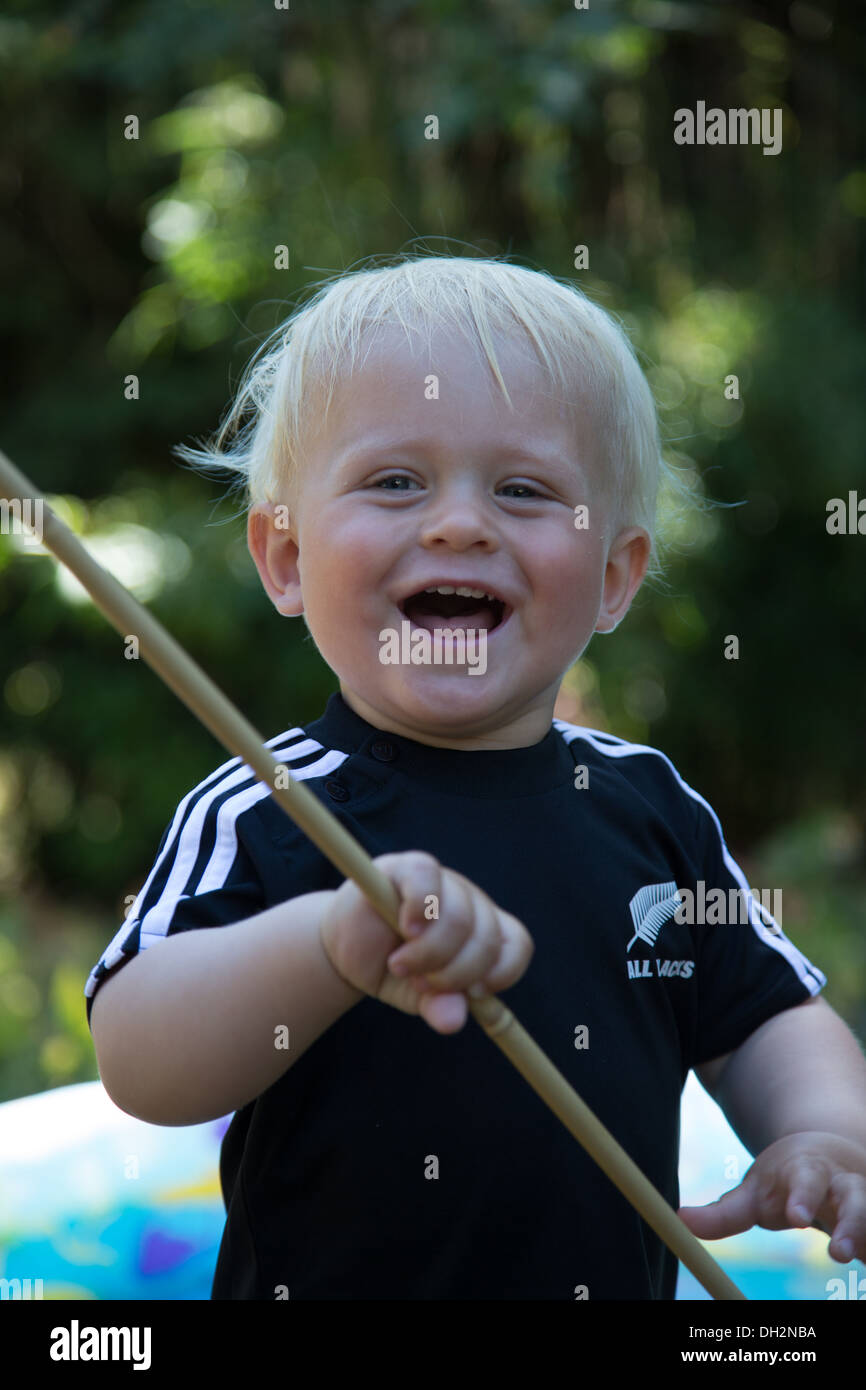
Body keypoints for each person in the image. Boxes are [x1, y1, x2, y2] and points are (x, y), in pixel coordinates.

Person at [86, 256, 866, 1299]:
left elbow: (767, 1016)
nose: (458, 524)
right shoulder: (268, 804)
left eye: (523, 490)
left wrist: (822, 1131)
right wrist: (327, 945)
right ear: (284, 557)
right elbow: (140, 1059)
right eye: (395, 480)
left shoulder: (648, 809)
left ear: (612, 578)